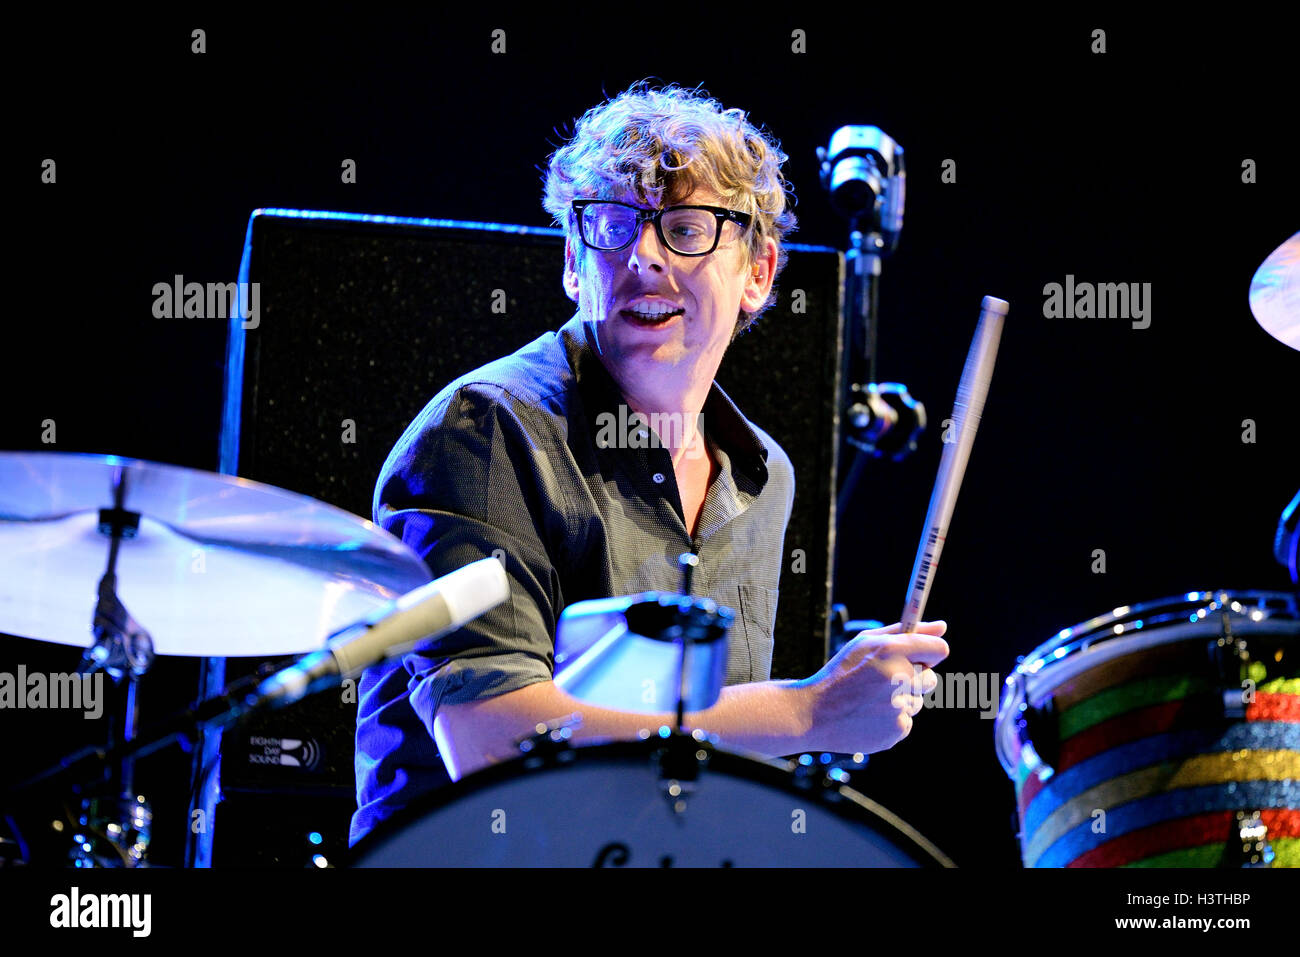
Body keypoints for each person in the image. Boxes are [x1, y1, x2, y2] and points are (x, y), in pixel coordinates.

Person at [350, 82, 948, 846]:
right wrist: (810, 712)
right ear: (574, 261)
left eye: (687, 229)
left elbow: (697, 779)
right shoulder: (485, 431)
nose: (643, 257)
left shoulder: (764, 477)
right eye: (610, 225)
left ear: (759, 272)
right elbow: (493, 742)